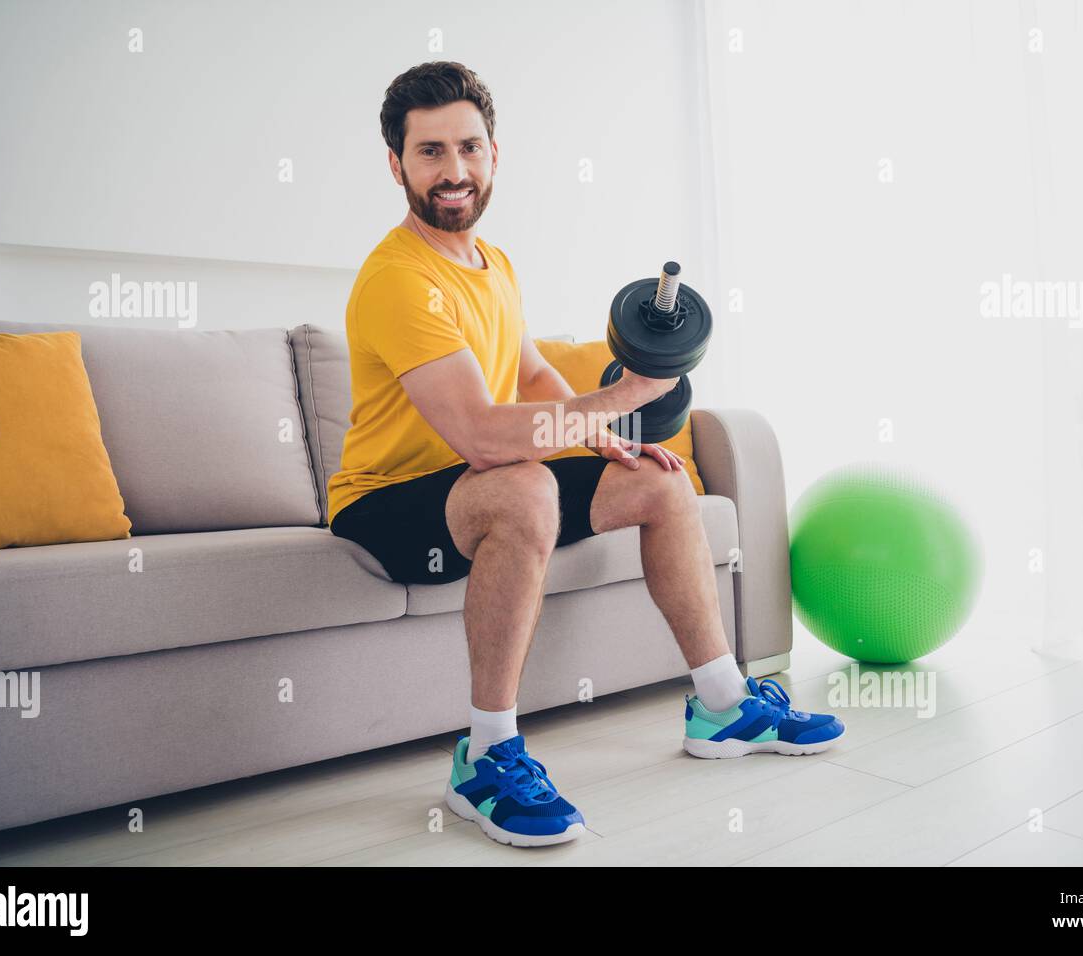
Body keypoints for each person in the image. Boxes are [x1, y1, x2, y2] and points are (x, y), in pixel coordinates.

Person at [328, 61, 844, 847]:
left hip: (480, 478)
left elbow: (528, 374)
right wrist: (622, 396)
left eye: (468, 146)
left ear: (495, 153)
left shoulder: (492, 265)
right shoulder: (401, 280)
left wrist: (602, 435)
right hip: (389, 500)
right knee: (526, 488)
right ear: (396, 165)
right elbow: (476, 434)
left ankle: (722, 704)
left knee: (658, 485)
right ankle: (487, 755)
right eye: (430, 152)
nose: (454, 170)